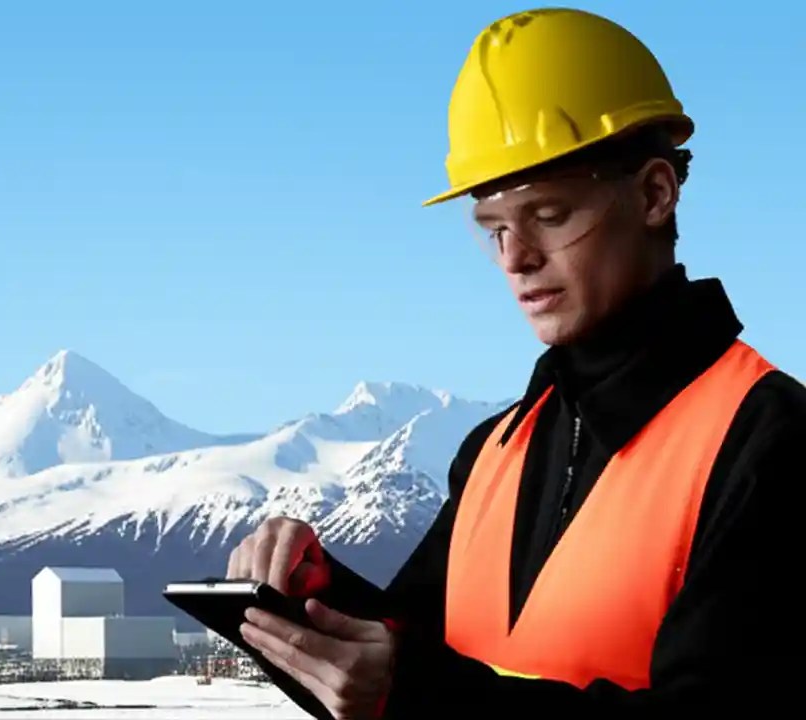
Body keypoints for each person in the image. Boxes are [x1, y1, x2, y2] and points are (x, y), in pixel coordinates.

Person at [225, 7, 806, 718]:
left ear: (655, 194)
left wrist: (413, 695)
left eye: (549, 216)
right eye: (493, 227)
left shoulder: (772, 440)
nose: (515, 259)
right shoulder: (495, 451)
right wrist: (316, 597)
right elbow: (410, 650)